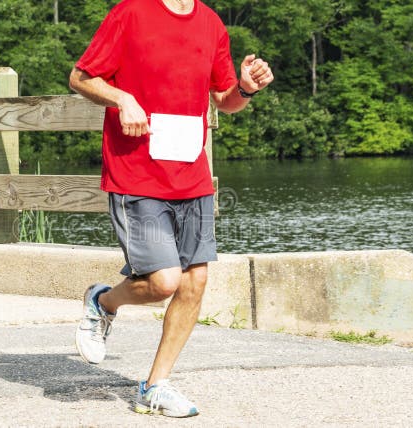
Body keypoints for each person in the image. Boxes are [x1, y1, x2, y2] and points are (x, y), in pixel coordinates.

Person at [69, 0, 273, 418]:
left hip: (192, 175)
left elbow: (224, 99)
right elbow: (81, 77)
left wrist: (247, 88)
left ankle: (154, 385)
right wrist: (122, 98)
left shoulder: (211, 23)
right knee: (163, 282)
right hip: (136, 174)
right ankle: (103, 303)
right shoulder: (131, 12)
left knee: (194, 283)